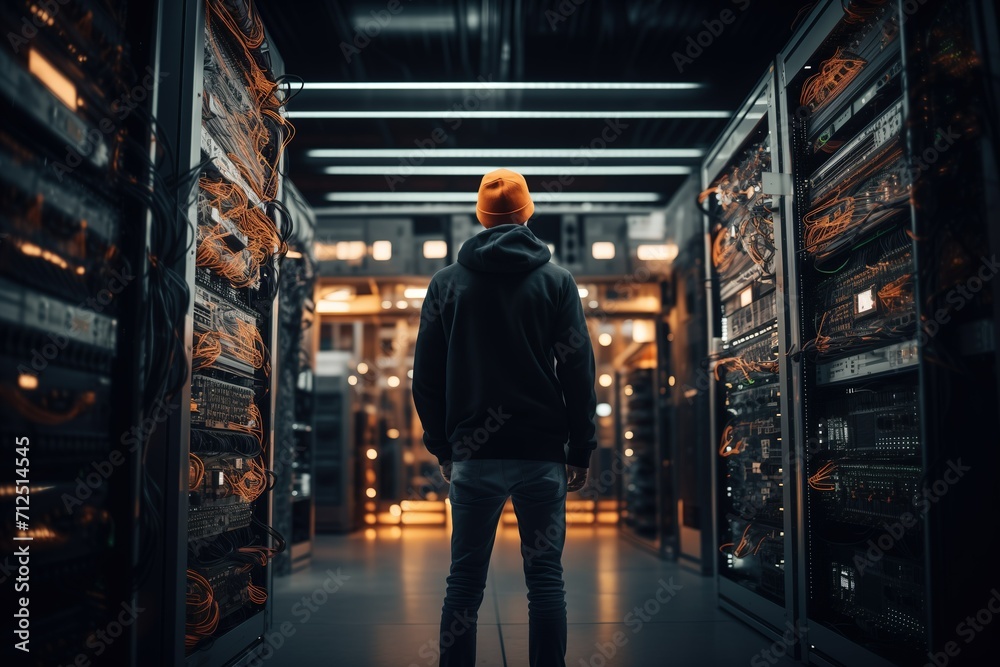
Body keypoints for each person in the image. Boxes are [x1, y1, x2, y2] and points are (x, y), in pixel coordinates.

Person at [411, 168, 598, 667]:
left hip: (473, 454)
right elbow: (578, 369)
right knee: (545, 581)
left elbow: (424, 379)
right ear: (527, 213)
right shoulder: (557, 282)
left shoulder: (446, 284)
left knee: (464, 581)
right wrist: (580, 448)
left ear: (481, 215)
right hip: (541, 456)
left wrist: (444, 448)